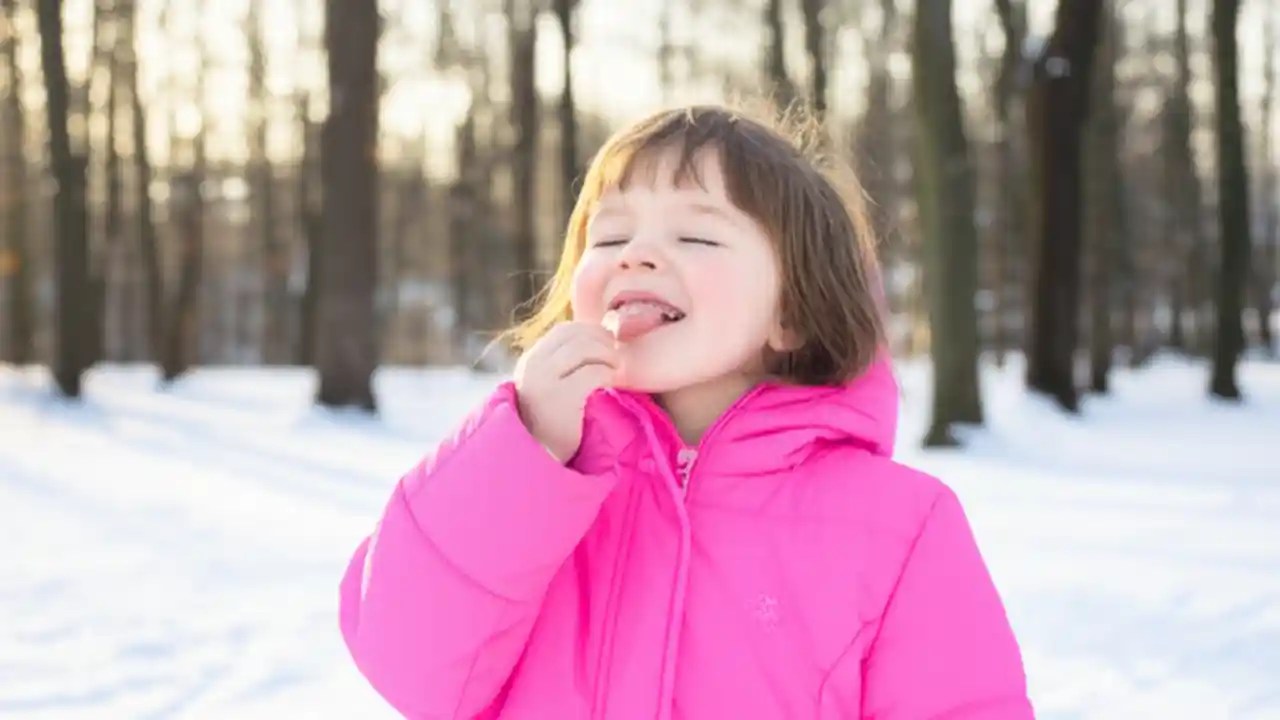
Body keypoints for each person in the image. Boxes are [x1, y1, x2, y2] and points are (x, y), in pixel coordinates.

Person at [338, 105, 1033, 719]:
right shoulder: (534, 491)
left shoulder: (899, 526)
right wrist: (521, 450)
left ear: (790, 312)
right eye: (608, 239)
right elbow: (411, 667)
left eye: (695, 237)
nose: (637, 256)